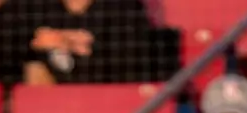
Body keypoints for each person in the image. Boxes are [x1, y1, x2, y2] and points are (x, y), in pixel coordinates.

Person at [23, 0, 164, 85]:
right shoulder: (38, 7)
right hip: (56, 106)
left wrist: (64, 40)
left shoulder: (123, 6)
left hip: (109, 101)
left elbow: (130, 64)